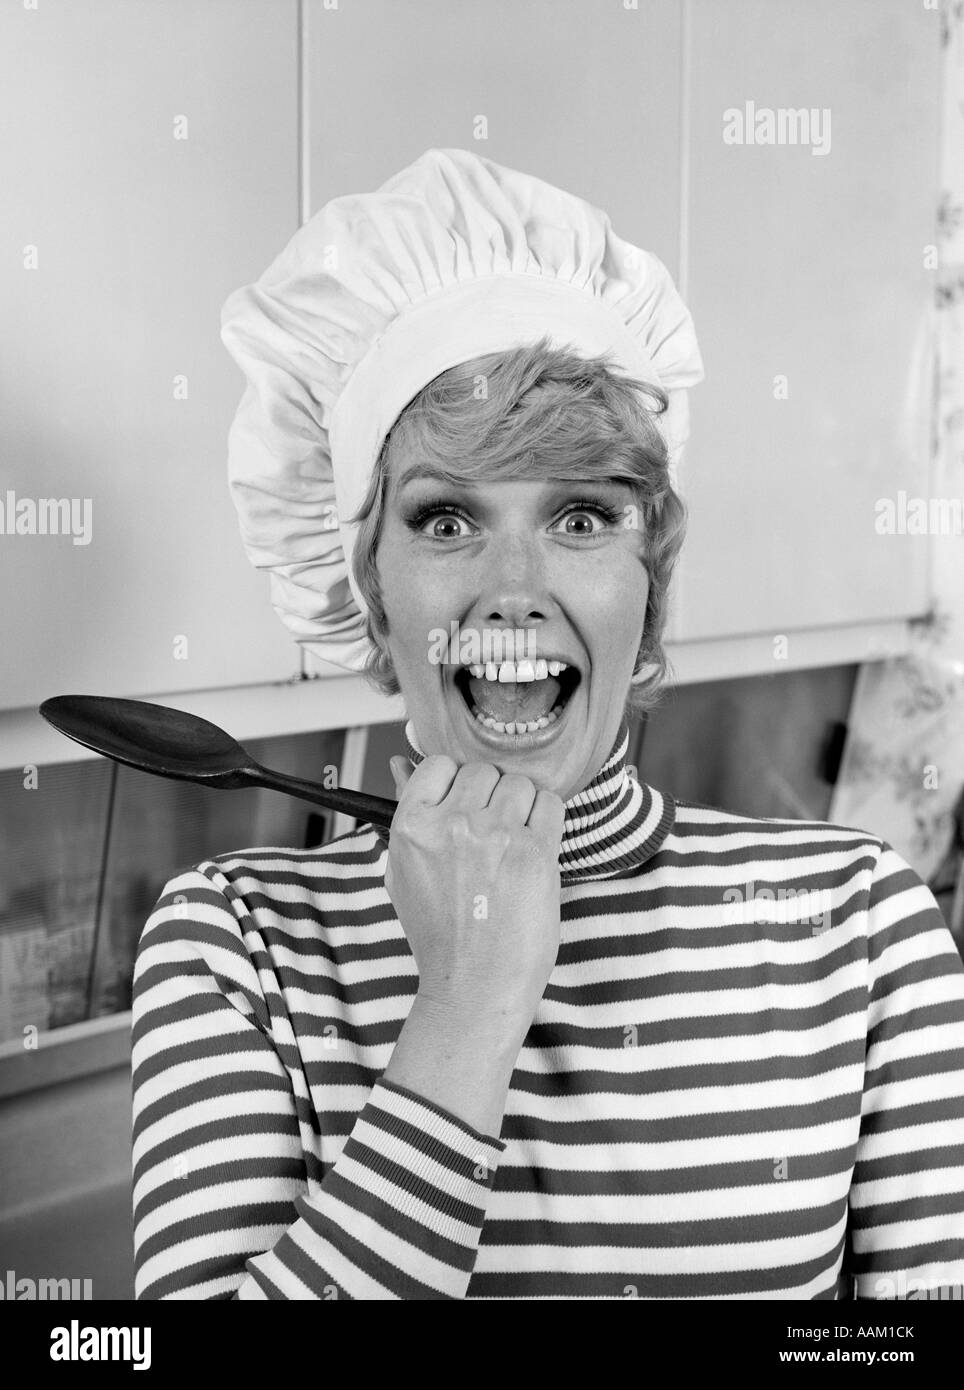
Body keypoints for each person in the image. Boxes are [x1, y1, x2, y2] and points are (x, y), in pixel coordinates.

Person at [131, 148, 964, 1300]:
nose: (514, 586)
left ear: (651, 586)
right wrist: (469, 1004)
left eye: (580, 516)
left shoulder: (858, 925)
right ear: (369, 593)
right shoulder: (238, 946)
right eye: (445, 520)